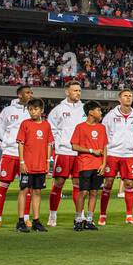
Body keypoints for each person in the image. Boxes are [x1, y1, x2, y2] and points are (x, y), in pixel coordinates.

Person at [0, 85, 33, 228]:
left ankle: (26, 218)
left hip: (26, 156)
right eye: (27, 93)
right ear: (19, 95)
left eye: (31, 92)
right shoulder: (7, 111)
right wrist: (7, 147)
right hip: (10, 154)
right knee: (3, 187)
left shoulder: (32, 112)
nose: (30, 95)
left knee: (26, 188)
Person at [100, 88, 133, 226]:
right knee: (108, 183)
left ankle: (129, 216)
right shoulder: (110, 116)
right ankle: (102, 215)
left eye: (130, 96)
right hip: (113, 154)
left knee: (129, 184)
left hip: (128, 155)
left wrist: (130, 146)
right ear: (119, 99)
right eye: (125, 96)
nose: (128, 98)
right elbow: (104, 135)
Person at [47, 81, 86, 227]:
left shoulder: (85, 109)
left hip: (80, 153)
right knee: (59, 183)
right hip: (64, 151)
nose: (78, 93)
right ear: (67, 92)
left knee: (79, 184)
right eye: (75, 90)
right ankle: (52, 215)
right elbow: (51, 129)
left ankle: (79, 216)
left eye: (79, 90)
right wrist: (60, 143)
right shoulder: (58, 109)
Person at [14, 98, 52, 232]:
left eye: (35, 109)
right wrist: (22, 162)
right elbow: (20, 144)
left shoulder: (46, 125)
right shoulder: (25, 124)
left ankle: (36, 221)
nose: (33, 112)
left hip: (40, 165)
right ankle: (20, 221)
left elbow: (49, 144)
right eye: (30, 109)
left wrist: (48, 162)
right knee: (23, 191)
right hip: (27, 165)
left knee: (37, 192)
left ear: (41, 110)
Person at [69, 100, 107, 231]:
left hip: (98, 165)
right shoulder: (80, 127)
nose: (101, 112)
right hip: (85, 164)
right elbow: (74, 146)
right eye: (99, 110)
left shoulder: (102, 128)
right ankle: (78, 219)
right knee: (83, 192)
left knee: (94, 192)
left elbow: (104, 147)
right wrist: (91, 151)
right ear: (91, 112)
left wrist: (104, 163)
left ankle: (90, 220)